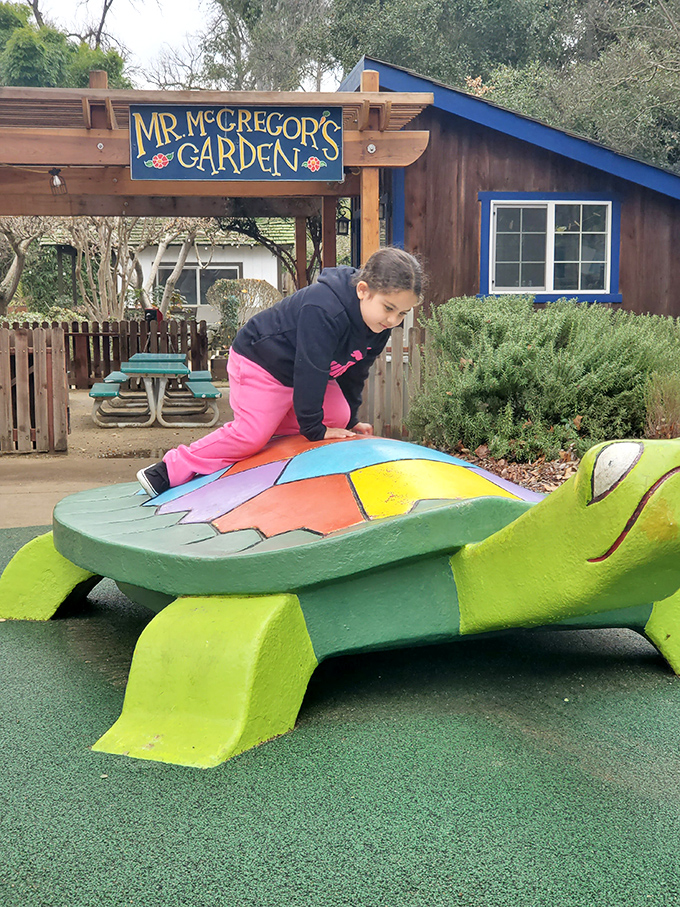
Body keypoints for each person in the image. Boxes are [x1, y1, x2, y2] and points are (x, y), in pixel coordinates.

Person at [136, 246, 423, 497]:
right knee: (252, 434)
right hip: (261, 363)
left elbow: (354, 374)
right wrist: (314, 429)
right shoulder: (324, 307)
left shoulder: (379, 326)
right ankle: (171, 468)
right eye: (389, 308)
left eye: (402, 313)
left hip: (305, 373)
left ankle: (274, 447)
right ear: (363, 290)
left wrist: (348, 424)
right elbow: (310, 370)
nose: (393, 319)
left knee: (338, 416)